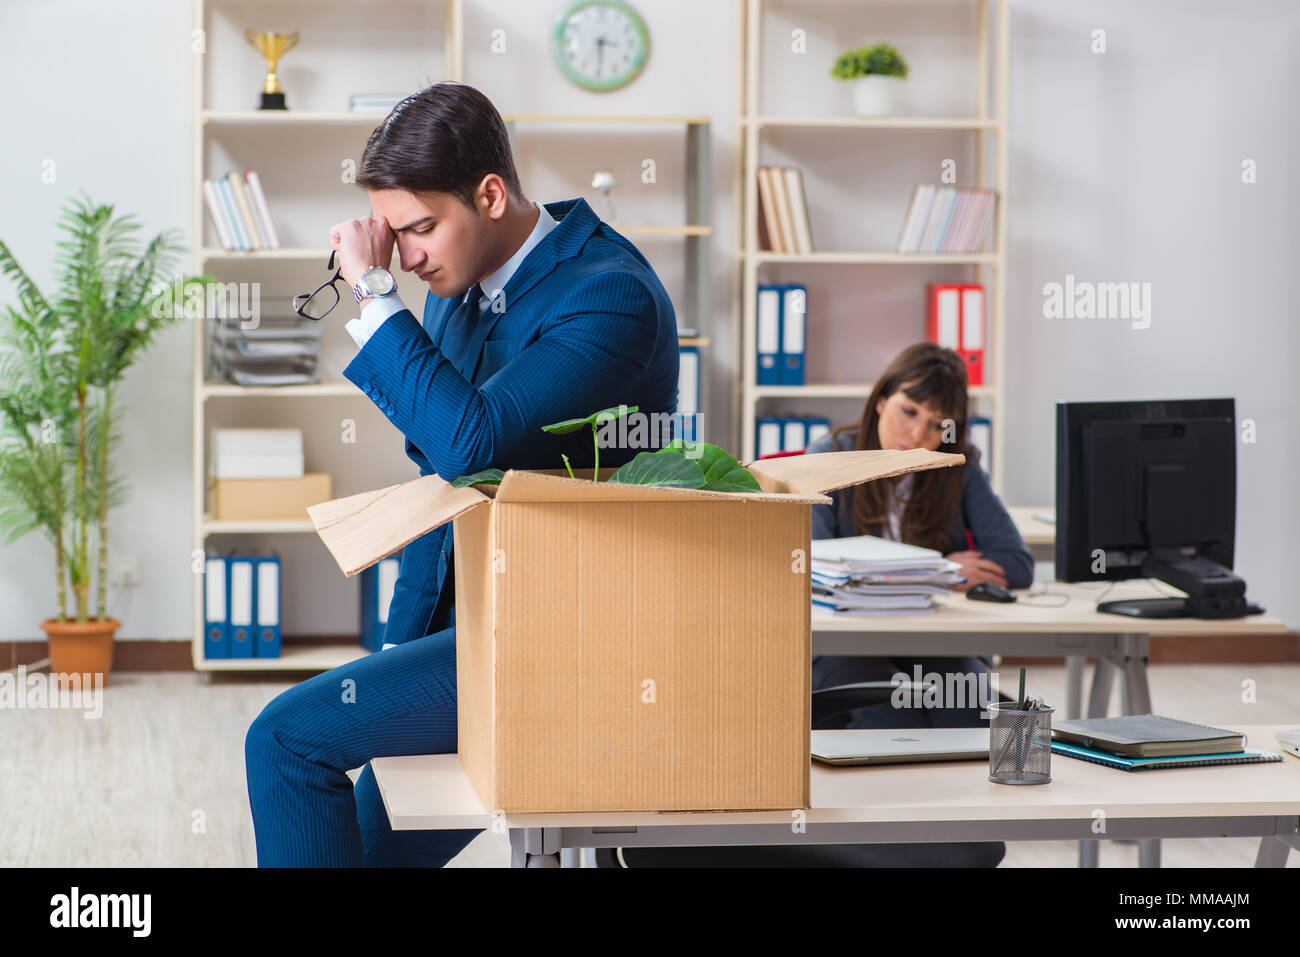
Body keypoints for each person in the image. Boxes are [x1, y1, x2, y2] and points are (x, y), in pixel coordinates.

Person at [244, 82, 679, 866]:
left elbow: (471, 443)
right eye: (395, 235)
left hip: (568, 638)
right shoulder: (460, 290)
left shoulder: (611, 296)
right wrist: (394, 652)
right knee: (363, 848)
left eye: (422, 229)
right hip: (471, 627)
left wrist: (375, 293)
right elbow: (438, 487)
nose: (407, 258)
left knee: (282, 739)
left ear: (490, 193)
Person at [807, 341, 1033, 731]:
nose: (915, 433)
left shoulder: (957, 468)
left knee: (969, 716)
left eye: (935, 424)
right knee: (892, 718)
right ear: (881, 400)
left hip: (934, 638)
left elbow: (1017, 564)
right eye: (908, 411)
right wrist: (938, 568)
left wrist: (942, 572)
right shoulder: (827, 459)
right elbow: (816, 571)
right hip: (848, 642)